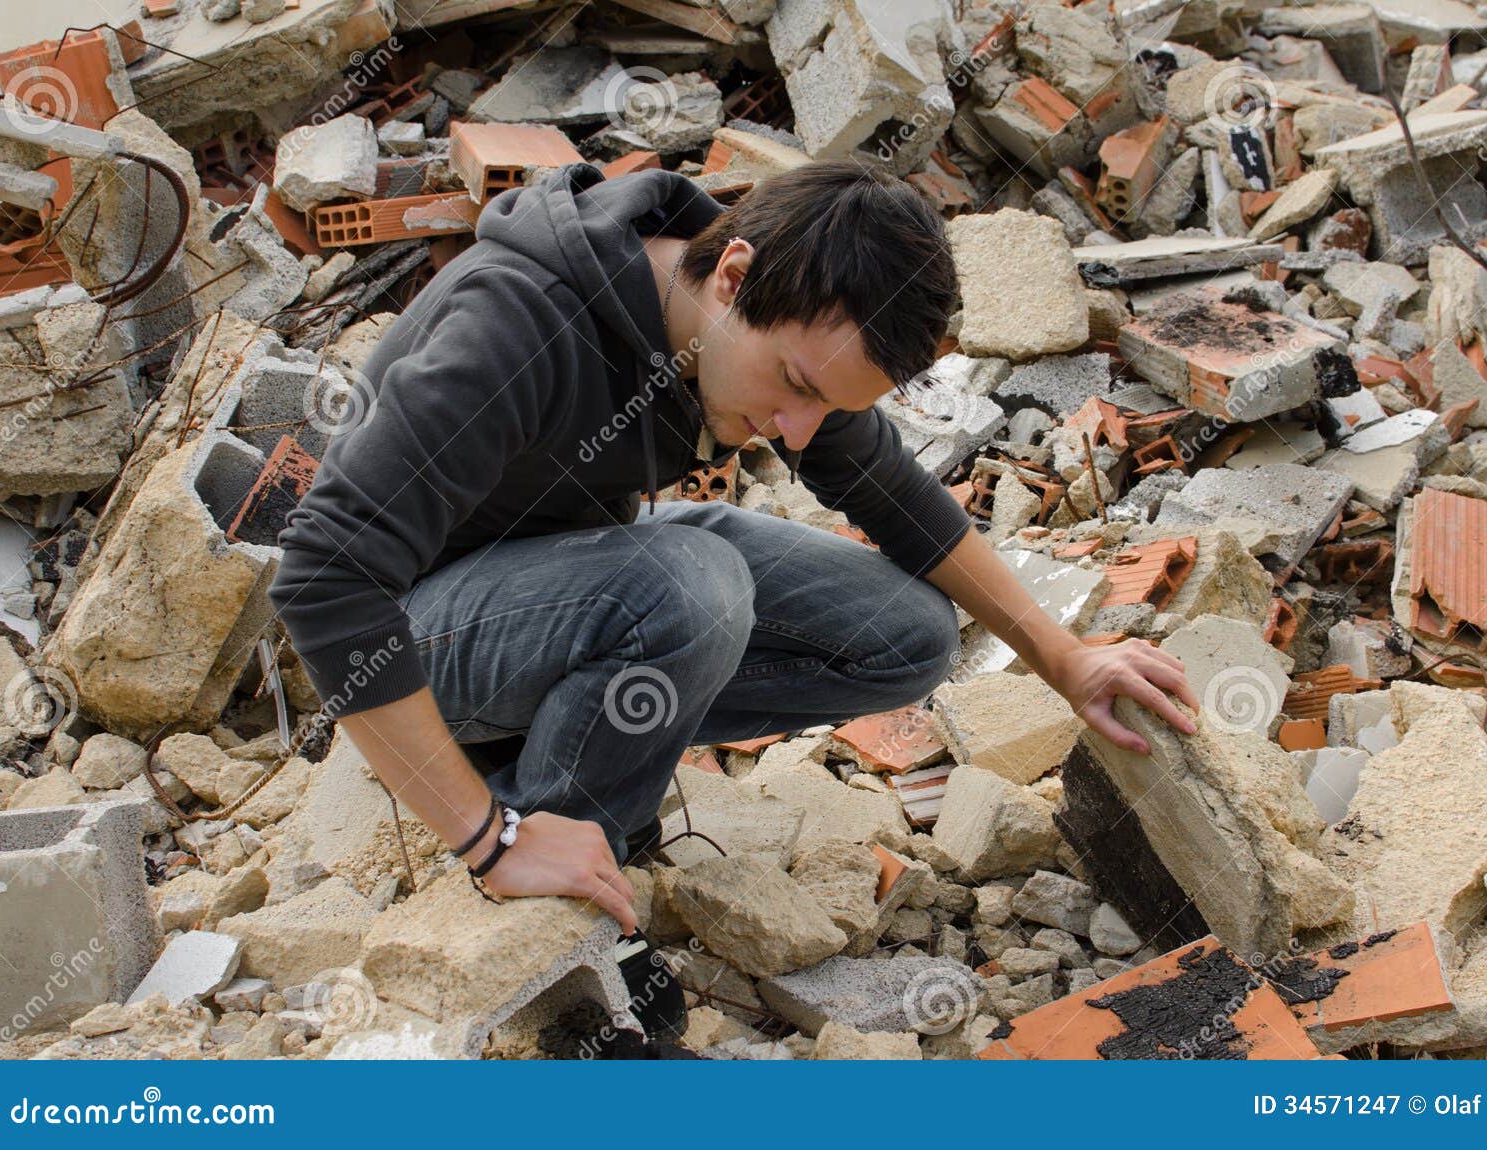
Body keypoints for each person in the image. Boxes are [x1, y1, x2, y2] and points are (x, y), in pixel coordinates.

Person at [268, 160, 1197, 1029]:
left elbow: (893, 494)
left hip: (565, 586)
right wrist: (488, 838)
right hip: (417, 637)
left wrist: (1062, 658)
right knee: (690, 588)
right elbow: (324, 577)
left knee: (909, 635)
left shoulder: (772, 327)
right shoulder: (517, 320)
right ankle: (556, 892)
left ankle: (564, 750)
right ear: (733, 275)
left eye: (828, 408)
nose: (796, 432)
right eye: (795, 387)